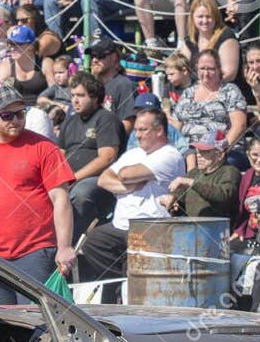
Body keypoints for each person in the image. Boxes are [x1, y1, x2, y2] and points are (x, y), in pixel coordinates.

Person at [0, 84, 75, 303]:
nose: (15, 120)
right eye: (7, 115)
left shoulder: (44, 148)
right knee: (0, 323)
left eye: (20, 114)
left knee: (37, 320)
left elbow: (61, 198)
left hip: (36, 251)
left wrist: (64, 247)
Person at [77, 107, 186, 291]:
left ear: (159, 130)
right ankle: (123, 283)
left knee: (134, 256)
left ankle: (132, 285)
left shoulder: (169, 155)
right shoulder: (134, 154)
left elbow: (126, 173)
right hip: (120, 225)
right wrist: (127, 188)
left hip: (150, 226)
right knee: (93, 243)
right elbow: (104, 179)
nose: (137, 135)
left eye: (143, 130)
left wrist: (125, 178)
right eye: (135, 130)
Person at [59, 71, 125, 224]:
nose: (75, 100)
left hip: (98, 180)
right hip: (68, 179)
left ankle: (70, 241)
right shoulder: (69, 122)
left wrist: (73, 178)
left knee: (81, 193)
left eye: (81, 96)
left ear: (95, 98)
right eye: (73, 95)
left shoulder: (106, 119)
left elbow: (107, 157)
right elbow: (59, 155)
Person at [161, 128, 239, 218]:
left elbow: (223, 196)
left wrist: (191, 183)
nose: (198, 155)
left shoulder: (230, 172)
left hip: (218, 227)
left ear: (220, 154)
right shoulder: (195, 172)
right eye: (197, 152)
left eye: (204, 152)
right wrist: (171, 198)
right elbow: (179, 193)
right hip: (192, 227)